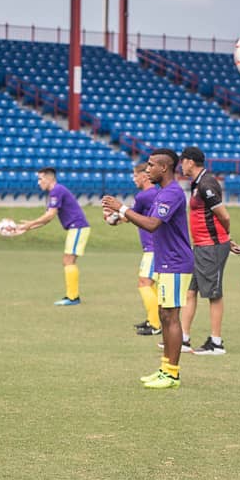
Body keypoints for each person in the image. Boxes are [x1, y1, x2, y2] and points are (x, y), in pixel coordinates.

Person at [102, 149, 193, 389]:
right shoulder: (162, 193)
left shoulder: (172, 193)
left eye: (151, 165)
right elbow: (144, 220)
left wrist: (121, 209)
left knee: (171, 316)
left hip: (176, 262)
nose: (147, 169)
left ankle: (172, 374)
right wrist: (121, 215)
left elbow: (152, 224)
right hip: (167, 261)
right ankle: (165, 369)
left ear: (164, 168)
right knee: (165, 315)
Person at [177, 146, 240, 355]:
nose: (180, 166)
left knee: (213, 293)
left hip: (211, 246)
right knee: (190, 290)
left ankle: (216, 343)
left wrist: (225, 237)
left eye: (182, 161)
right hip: (202, 245)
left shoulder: (206, 184)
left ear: (190, 162)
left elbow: (225, 216)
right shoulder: (197, 184)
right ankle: (183, 339)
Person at [12, 167, 90, 306]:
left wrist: (29, 224)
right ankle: (72, 296)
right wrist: (26, 229)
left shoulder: (57, 190)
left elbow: (49, 215)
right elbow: (47, 219)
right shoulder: (56, 191)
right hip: (76, 228)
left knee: (68, 260)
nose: (38, 182)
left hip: (78, 227)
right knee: (68, 260)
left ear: (49, 179)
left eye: (40, 179)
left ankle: (73, 298)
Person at [130, 163, 161, 335]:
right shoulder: (155, 194)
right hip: (156, 246)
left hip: (152, 247)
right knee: (151, 283)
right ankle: (153, 319)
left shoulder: (144, 196)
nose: (134, 179)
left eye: (135, 175)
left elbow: (130, 216)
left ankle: (156, 324)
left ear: (143, 176)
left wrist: (113, 216)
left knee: (144, 283)